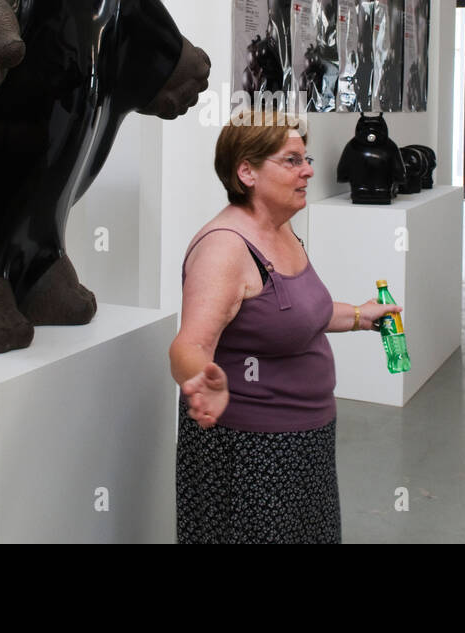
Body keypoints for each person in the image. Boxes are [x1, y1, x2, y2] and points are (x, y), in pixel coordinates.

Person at [169, 108, 402, 543]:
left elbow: (297, 311)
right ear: (247, 172)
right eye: (292, 160)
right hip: (252, 451)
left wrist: (356, 315)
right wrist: (203, 380)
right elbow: (188, 346)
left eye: (306, 158)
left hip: (304, 441)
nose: (309, 171)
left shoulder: (281, 230)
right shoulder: (225, 249)